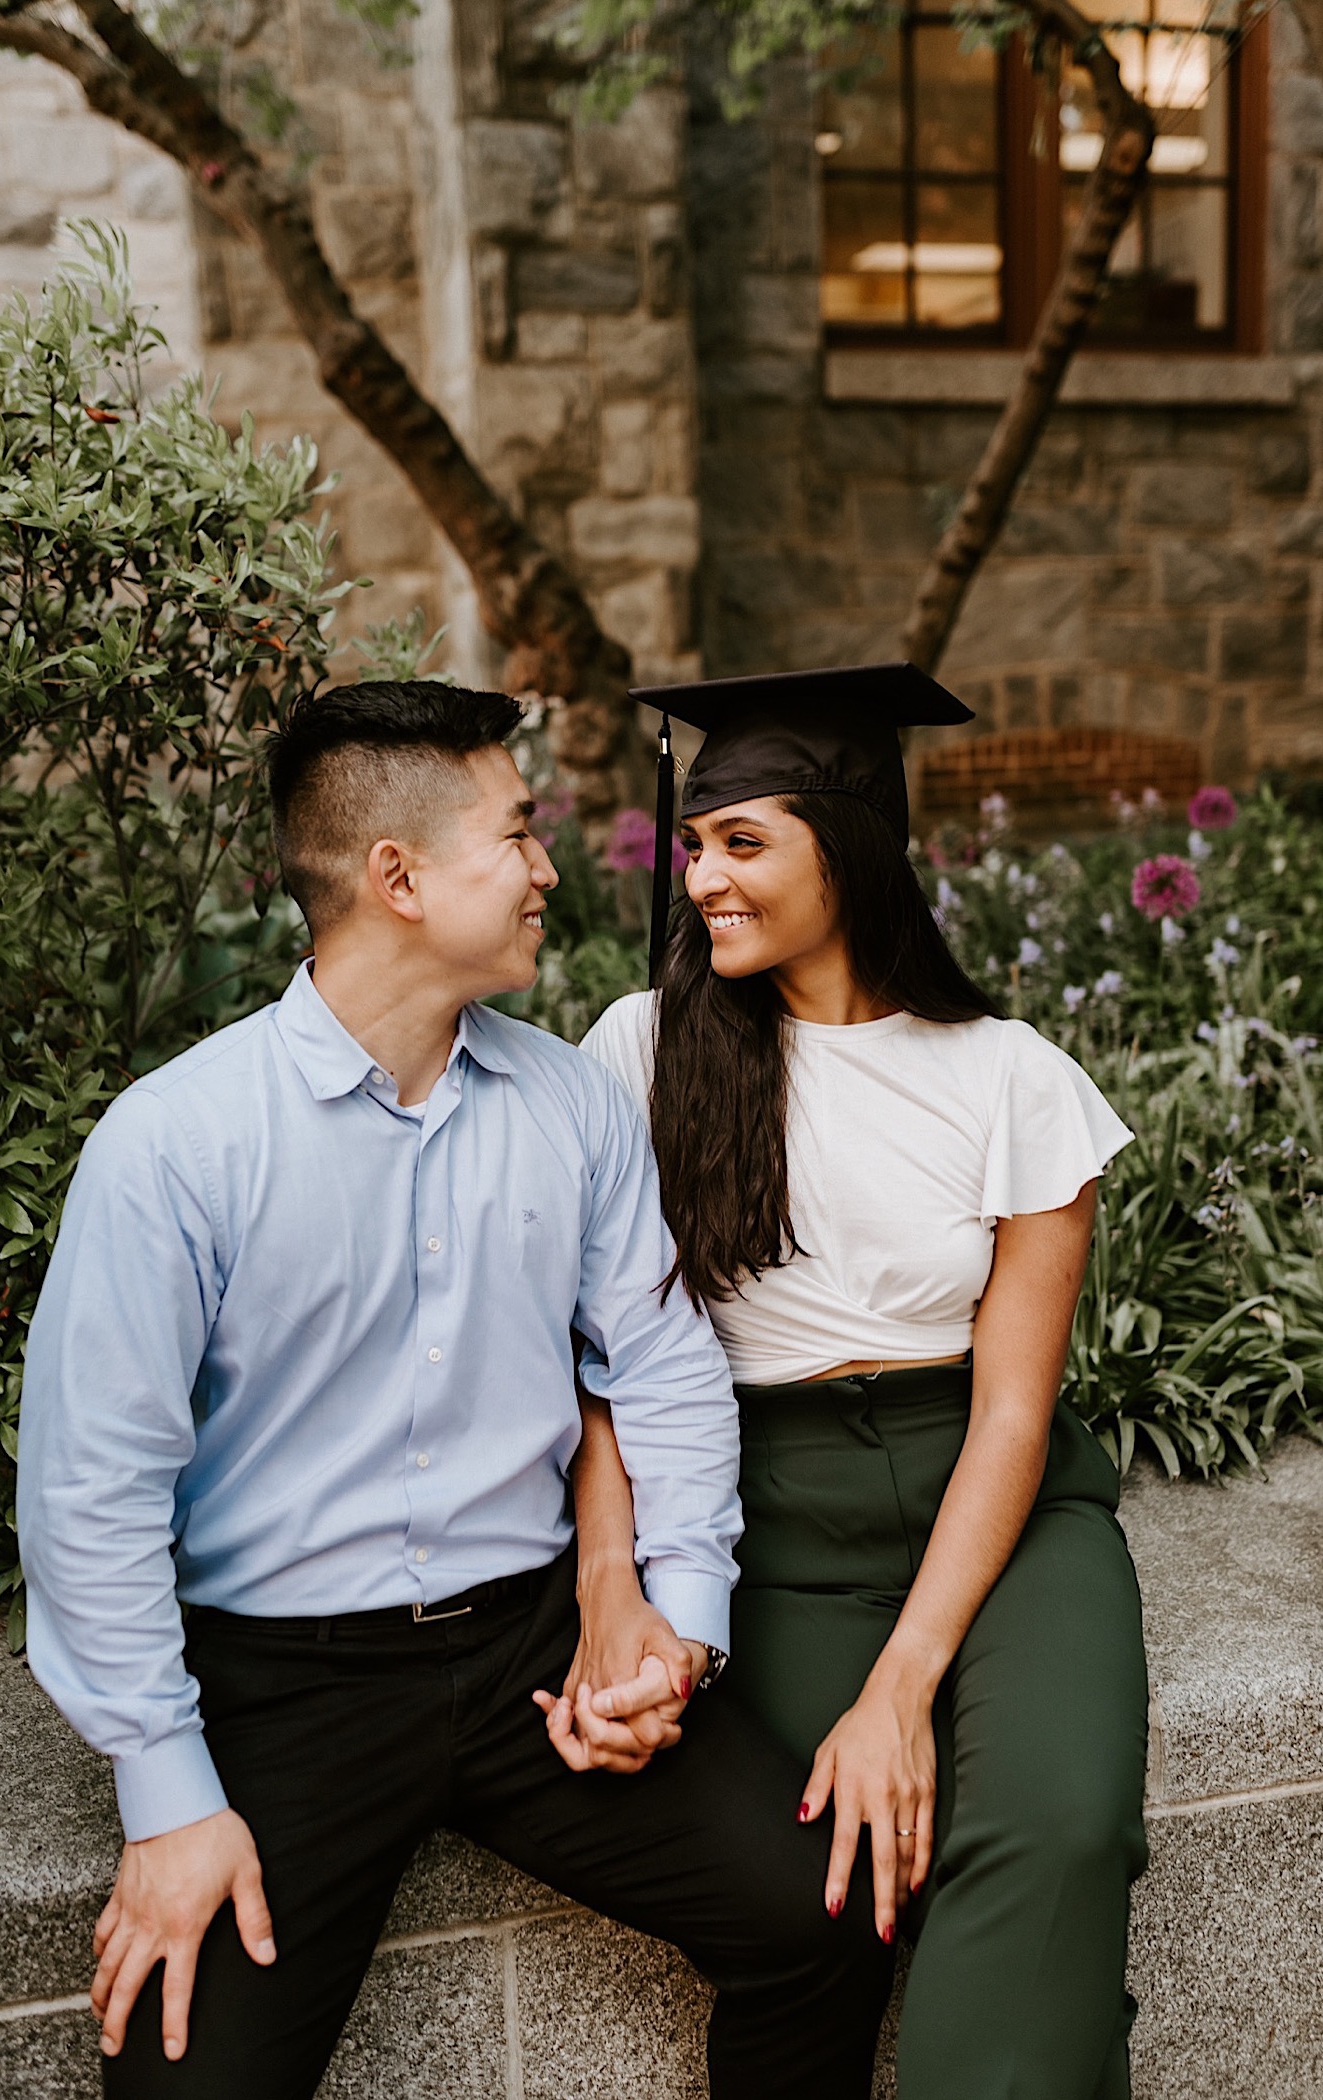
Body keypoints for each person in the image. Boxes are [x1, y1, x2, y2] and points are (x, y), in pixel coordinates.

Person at [16, 680, 892, 2100]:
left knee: (823, 1913)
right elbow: (87, 1495)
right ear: (398, 877)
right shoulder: (174, 1148)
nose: (553, 867)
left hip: (530, 1653)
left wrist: (679, 1631)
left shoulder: (569, 1104)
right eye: (520, 834)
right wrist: (168, 1795)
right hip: (283, 1684)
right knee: (188, 2082)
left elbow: (662, 1368)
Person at [569, 664, 1151, 2100]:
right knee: (851, 1861)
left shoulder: (1010, 1077)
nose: (702, 877)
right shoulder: (641, 1053)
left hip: (1000, 1516)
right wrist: (614, 1585)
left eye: (744, 842)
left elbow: (1015, 1410)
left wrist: (904, 1681)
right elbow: (603, 1372)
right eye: (695, 845)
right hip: (769, 1515)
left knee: (1060, 1826)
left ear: (853, 844)